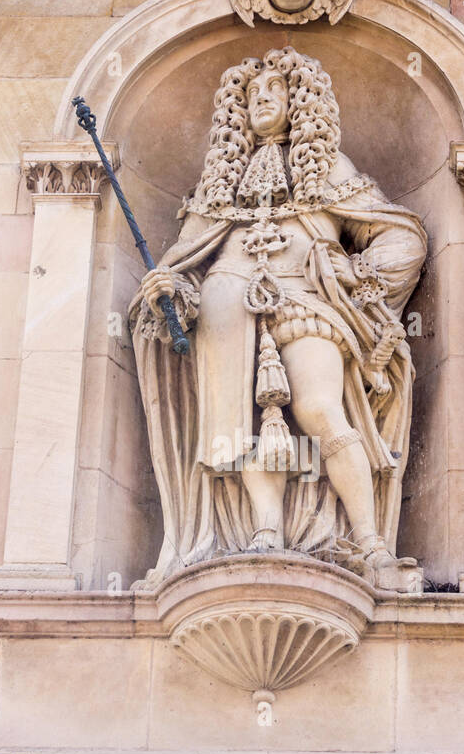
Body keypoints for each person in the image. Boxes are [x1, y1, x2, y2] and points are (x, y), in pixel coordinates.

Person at [129, 45, 427, 590]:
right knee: (237, 424)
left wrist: (354, 278)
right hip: (226, 306)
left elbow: (402, 237)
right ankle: (263, 532)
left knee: (319, 409)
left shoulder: (327, 168)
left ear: (300, 102)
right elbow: (185, 260)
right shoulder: (218, 185)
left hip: (305, 300)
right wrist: (170, 289)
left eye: (275, 92)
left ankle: (371, 546)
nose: (263, 101)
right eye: (252, 95)